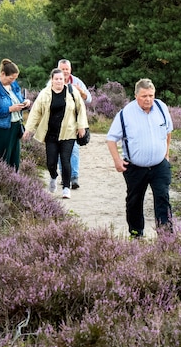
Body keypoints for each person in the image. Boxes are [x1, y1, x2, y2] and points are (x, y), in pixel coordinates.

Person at [106, 79, 174, 237]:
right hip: (135, 167)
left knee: (163, 198)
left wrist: (166, 154)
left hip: (159, 165)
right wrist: (117, 160)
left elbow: (168, 131)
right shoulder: (125, 114)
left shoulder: (161, 108)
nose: (148, 99)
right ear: (136, 95)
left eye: (151, 95)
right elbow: (111, 139)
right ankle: (136, 234)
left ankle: (166, 236)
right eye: (144, 96)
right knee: (134, 201)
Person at [23, 68, 88, 199]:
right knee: (51, 162)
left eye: (61, 79)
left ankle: (66, 188)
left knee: (65, 160)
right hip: (50, 134)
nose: (59, 81)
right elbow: (35, 112)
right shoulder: (44, 94)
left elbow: (81, 109)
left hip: (68, 132)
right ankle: (53, 176)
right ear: (52, 80)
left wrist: (82, 126)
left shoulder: (72, 92)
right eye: (56, 79)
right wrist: (28, 129)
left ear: (64, 80)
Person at [0, 59, 30, 170]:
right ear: (3, 74)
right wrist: (9, 109)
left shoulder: (14, 85)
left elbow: (19, 99)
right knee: (1, 162)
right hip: (1, 130)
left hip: (15, 127)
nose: (13, 81)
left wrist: (25, 102)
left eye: (15, 78)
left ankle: (14, 180)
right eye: (11, 78)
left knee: (14, 162)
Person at [57, 59, 93, 190]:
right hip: (58, 122)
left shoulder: (77, 82)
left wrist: (81, 92)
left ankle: (74, 177)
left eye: (67, 69)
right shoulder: (53, 81)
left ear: (70, 69)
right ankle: (64, 176)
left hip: (75, 122)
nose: (65, 71)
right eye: (62, 69)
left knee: (74, 149)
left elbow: (89, 99)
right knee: (61, 150)